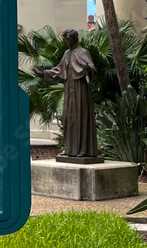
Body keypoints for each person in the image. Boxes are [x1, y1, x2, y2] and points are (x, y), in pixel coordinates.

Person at [33, 29, 100, 159]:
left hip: (80, 90)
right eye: (65, 39)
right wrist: (43, 73)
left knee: (80, 117)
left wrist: (87, 69)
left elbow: (92, 69)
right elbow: (58, 71)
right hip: (69, 90)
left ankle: (83, 150)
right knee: (68, 118)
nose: (66, 41)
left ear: (75, 39)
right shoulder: (66, 53)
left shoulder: (83, 52)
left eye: (68, 39)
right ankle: (70, 149)